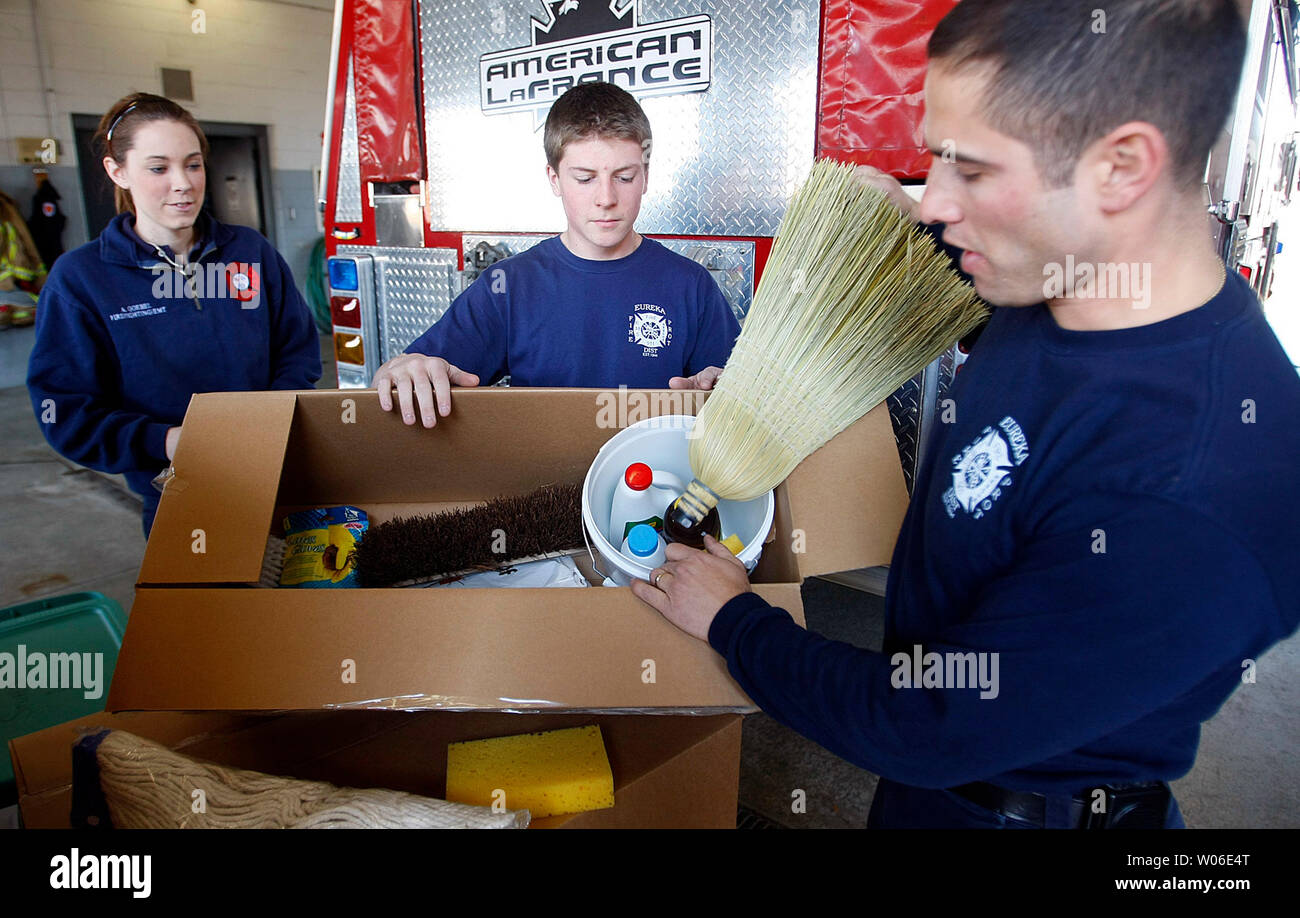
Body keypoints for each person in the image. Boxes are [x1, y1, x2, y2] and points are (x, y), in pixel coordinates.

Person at [631, 0, 1300, 828]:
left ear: (1123, 166)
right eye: (933, 159)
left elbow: (927, 722)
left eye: (971, 170)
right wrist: (885, 218)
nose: (936, 201)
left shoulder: (1204, 492)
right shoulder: (1047, 275)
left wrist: (734, 622)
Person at [27, 93, 321, 538]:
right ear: (117, 171)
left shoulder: (250, 251)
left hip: (274, 475)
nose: (183, 183)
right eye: (159, 168)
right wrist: (167, 442)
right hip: (174, 496)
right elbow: (65, 412)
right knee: (208, 607)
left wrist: (267, 419)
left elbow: (297, 353)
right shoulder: (81, 279)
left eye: (194, 164)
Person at [374, 82, 740, 427]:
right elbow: (404, 374)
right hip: (543, 488)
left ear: (645, 175)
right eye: (584, 178)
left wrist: (722, 388)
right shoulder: (509, 286)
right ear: (553, 178)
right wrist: (404, 370)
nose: (606, 198)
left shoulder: (691, 286)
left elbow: (742, 400)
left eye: (624, 177)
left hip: (653, 483)